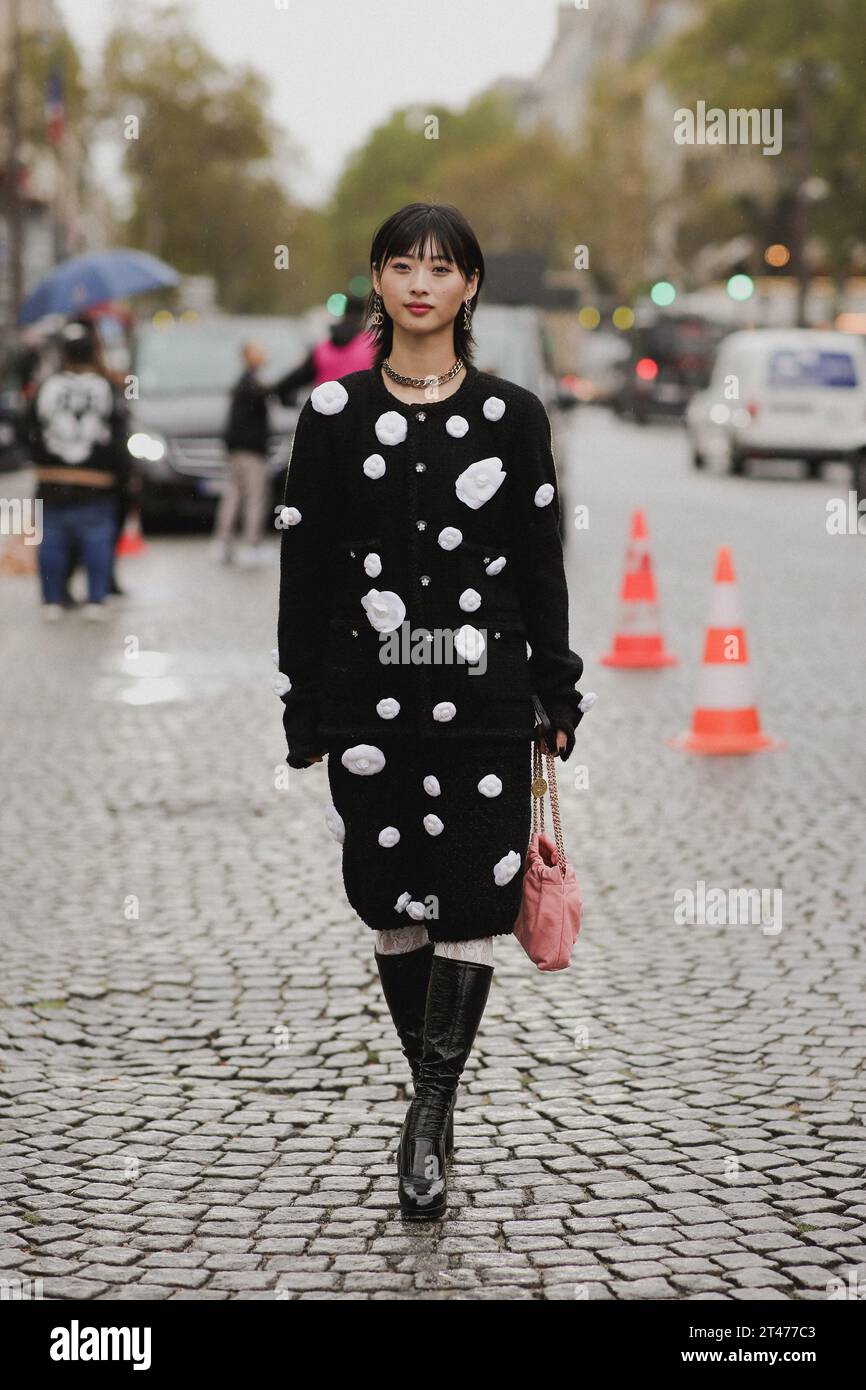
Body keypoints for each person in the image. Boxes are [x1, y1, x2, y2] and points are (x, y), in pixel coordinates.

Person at [275, 202, 589, 1221]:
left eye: (439, 266)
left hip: (487, 697)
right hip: (368, 700)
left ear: (467, 286)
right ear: (375, 279)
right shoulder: (331, 415)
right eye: (400, 264)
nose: (419, 281)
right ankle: (433, 1098)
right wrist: (303, 703)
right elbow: (308, 570)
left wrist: (556, 687)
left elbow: (542, 568)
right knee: (387, 897)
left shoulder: (513, 418)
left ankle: (425, 1117)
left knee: (467, 898)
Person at [29, 322, 129, 621]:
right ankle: (96, 599)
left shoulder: (46, 387)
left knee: (52, 542)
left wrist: (41, 459)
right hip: (96, 482)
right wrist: (121, 475)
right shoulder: (106, 388)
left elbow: (29, 427)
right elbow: (120, 433)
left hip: (51, 479)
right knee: (97, 540)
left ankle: (52, 600)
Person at [213, 342, 296, 567]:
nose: (264, 355)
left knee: (233, 495)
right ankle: (251, 545)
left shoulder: (243, 382)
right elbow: (272, 391)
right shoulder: (250, 383)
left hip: (237, 449)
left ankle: (223, 542)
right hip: (251, 451)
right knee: (255, 497)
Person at [274, 294, 375, 401]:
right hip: (360, 412)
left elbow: (298, 377)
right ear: (363, 315)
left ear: (343, 313)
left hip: (325, 412)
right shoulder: (373, 347)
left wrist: (276, 391)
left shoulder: (322, 349)